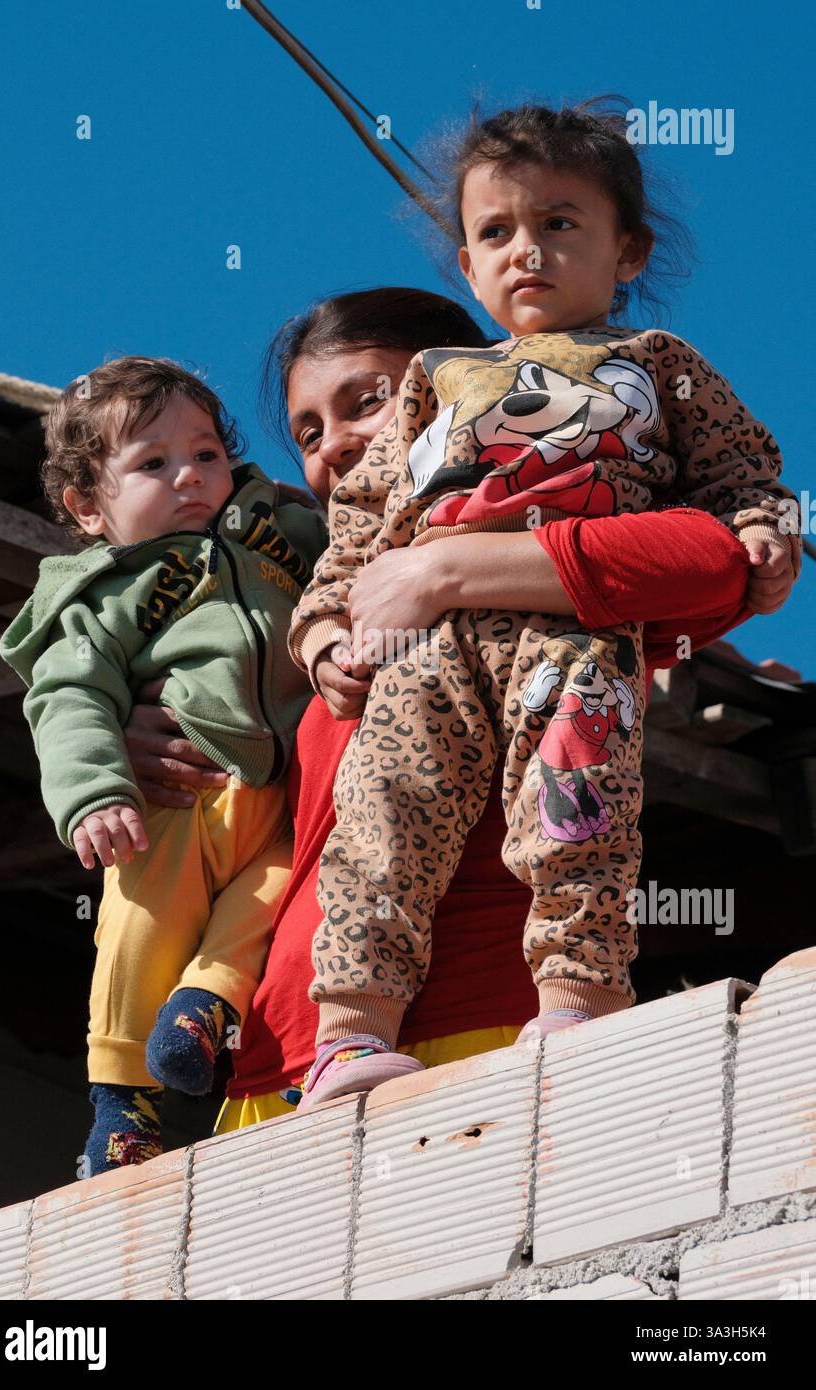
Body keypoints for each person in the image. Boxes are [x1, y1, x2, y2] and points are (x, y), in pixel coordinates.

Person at [121, 287, 786, 1132]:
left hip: (481, 1038)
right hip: (283, 1068)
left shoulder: (544, 616)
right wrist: (136, 741)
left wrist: (446, 570)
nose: (336, 448)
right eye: (308, 433)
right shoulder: (321, 638)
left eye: (369, 402)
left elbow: (711, 557)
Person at [286, 101, 802, 1110]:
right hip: (425, 650)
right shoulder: (435, 383)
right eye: (496, 233)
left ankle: (578, 994)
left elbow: (742, 468)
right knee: (387, 808)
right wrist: (323, 637)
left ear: (628, 249)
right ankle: (350, 1030)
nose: (527, 249)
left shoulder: (661, 367)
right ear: (469, 269)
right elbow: (355, 534)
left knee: (579, 803)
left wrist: (759, 525)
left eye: (560, 222)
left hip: (576, 633)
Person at [0, 357, 325, 1172]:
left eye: (206, 453)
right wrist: (96, 792)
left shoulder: (279, 529)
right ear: (86, 506)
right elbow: (67, 697)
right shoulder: (100, 593)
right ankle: (121, 1105)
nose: (189, 476)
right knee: (140, 923)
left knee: (274, 897)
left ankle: (202, 1007)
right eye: (151, 464)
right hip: (176, 796)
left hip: (280, 797)